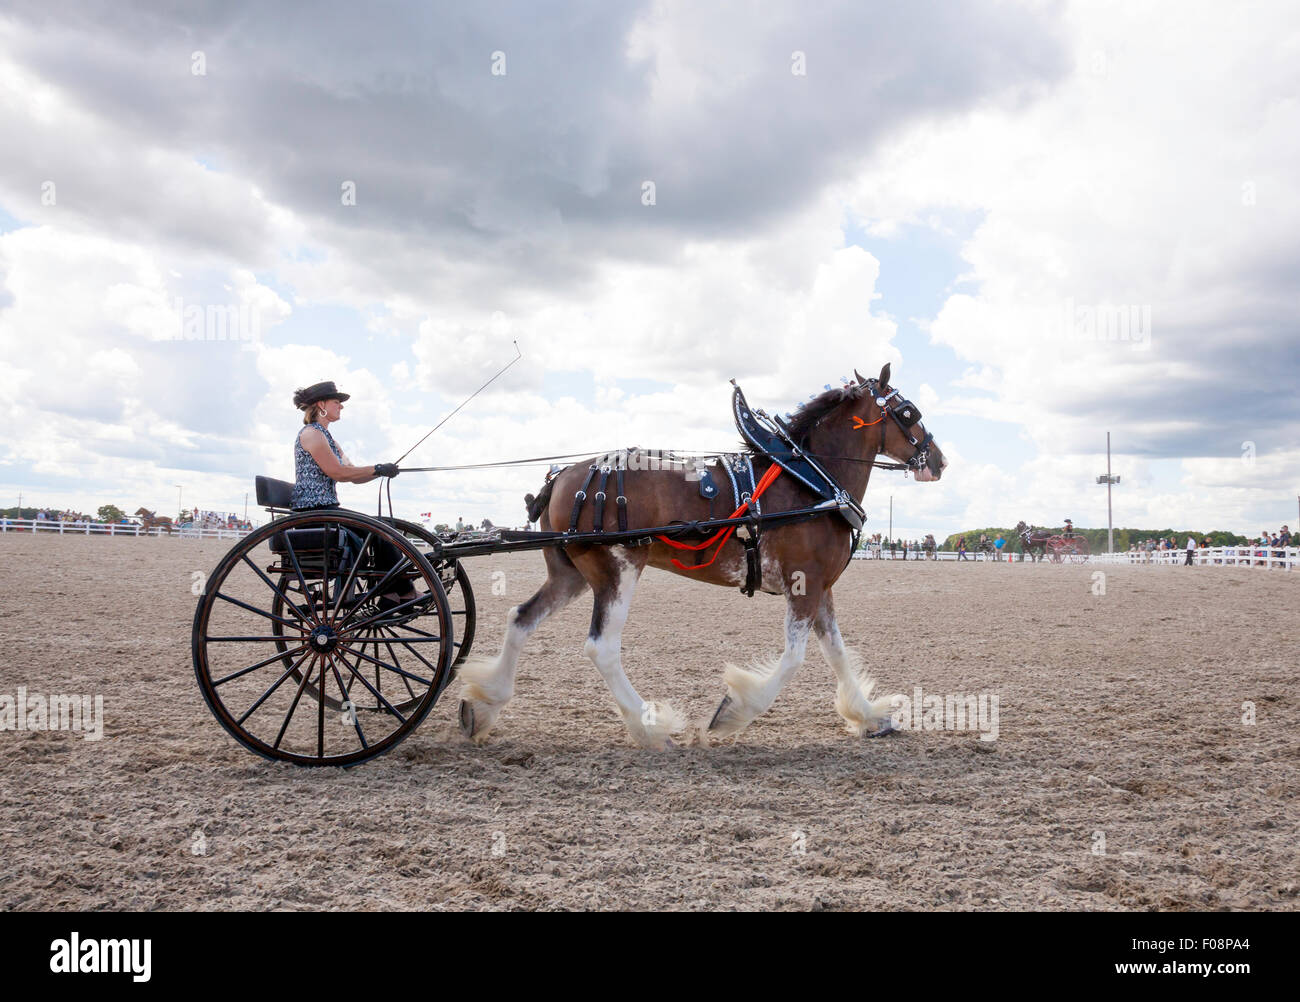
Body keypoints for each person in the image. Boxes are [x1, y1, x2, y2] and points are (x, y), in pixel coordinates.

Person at [290, 380, 414, 611]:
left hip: (327, 510)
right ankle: (401, 591)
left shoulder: (328, 438)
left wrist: (380, 471)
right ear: (321, 405)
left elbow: (353, 474)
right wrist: (376, 468)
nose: (341, 407)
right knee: (378, 529)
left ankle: (395, 591)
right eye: (337, 402)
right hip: (313, 513)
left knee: (382, 526)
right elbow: (338, 472)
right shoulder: (311, 434)